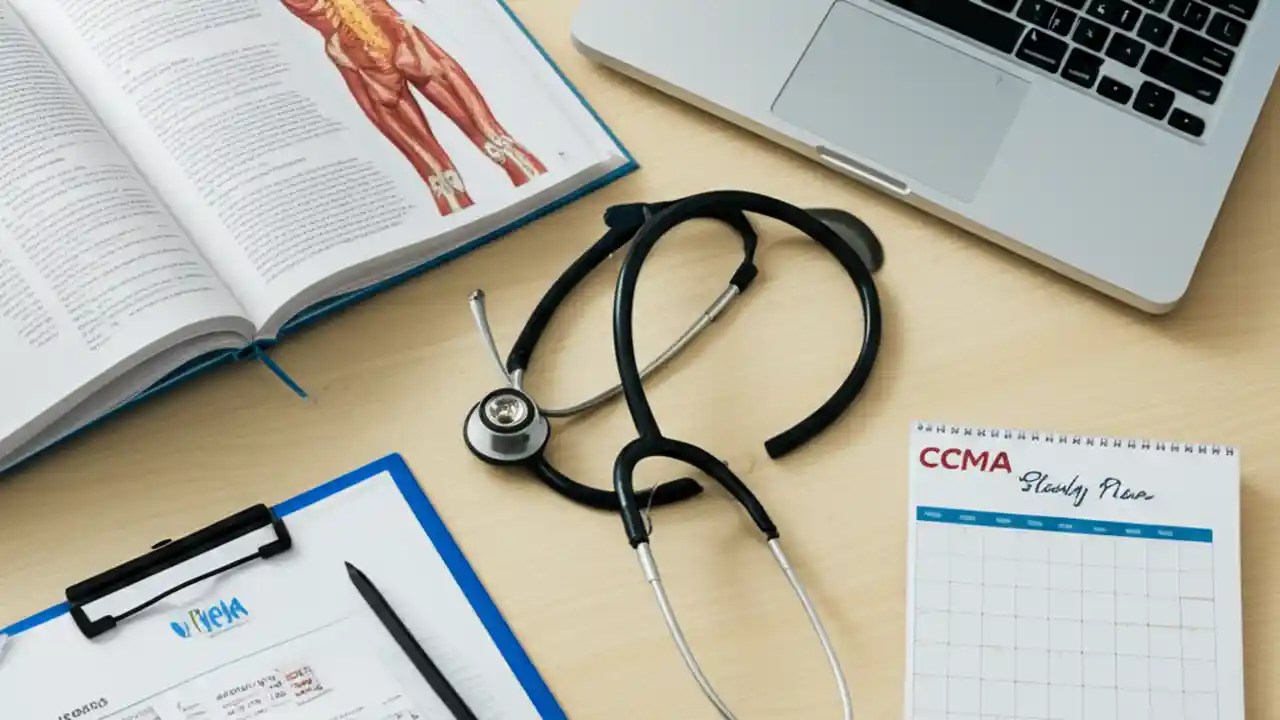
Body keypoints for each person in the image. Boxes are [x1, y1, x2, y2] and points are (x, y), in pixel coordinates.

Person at [279, 0, 547, 215]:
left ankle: (537, 184)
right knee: (437, 170)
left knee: (486, 136)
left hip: (394, 37)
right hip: (361, 56)